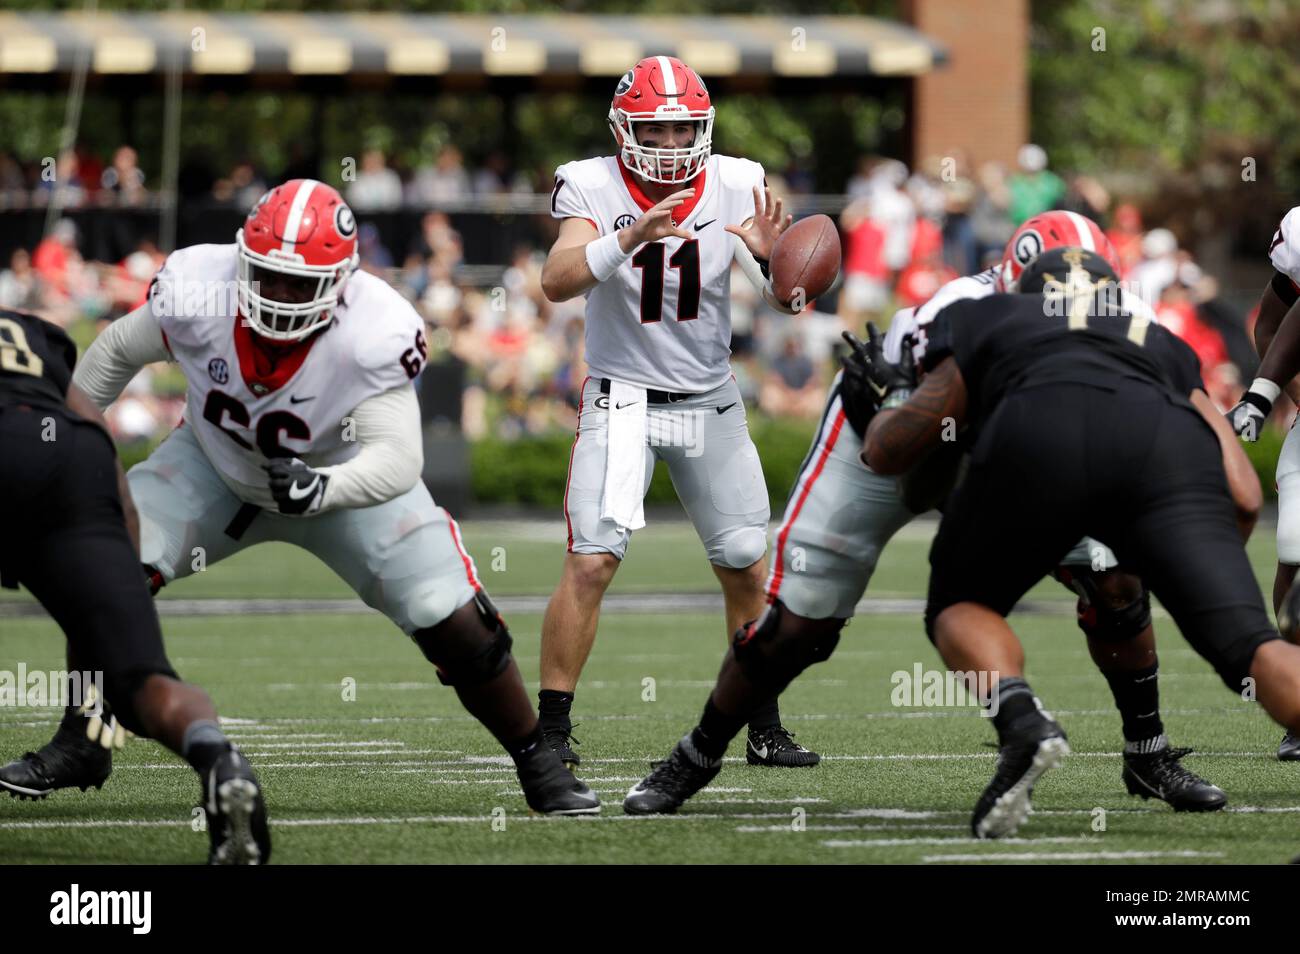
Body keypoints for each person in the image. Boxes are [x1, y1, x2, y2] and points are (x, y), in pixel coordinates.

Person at [0, 180, 597, 816]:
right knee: (103, 565)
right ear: (241, 260)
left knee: (449, 613)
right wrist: (65, 454)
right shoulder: (198, 289)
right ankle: (84, 738)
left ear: (341, 281)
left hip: (342, 480)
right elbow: (117, 352)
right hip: (213, 464)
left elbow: (398, 459)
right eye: (268, 276)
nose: (281, 295)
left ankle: (535, 756)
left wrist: (325, 488)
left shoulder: (375, 325)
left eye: (300, 283)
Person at [857, 247, 1299, 836]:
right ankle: (1155, 731)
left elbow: (887, 454)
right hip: (1157, 453)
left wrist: (891, 397)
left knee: (961, 605)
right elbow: (1244, 496)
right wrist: (1200, 571)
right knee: (1251, 647)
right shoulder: (1159, 339)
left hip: (1036, 444)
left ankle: (1024, 719)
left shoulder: (983, 318)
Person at [537, 56, 819, 770]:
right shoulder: (591, 182)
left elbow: (793, 300)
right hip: (622, 397)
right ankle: (551, 733)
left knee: (746, 565)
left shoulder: (737, 180)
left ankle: (761, 724)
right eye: (655, 130)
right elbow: (556, 279)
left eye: (682, 129)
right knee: (593, 561)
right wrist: (629, 236)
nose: (669, 144)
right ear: (623, 130)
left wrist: (774, 266)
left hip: (707, 396)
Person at [0, 307, 270, 863]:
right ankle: (219, 760)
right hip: (75, 463)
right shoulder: (22, 330)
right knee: (142, 680)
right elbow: (94, 432)